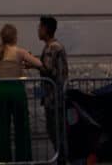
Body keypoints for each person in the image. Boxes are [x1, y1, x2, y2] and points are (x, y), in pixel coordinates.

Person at [0, 23, 43, 162]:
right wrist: (26, 63)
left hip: (0, 91)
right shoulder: (19, 52)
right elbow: (39, 64)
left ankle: (3, 159)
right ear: (15, 37)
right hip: (16, 89)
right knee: (21, 126)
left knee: (1, 128)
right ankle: (23, 159)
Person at [38, 17, 69, 160]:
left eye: (40, 27)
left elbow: (48, 70)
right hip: (53, 97)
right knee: (54, 130)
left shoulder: (53, 47)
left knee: (55, 130)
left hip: (55, 98)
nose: (38, 30)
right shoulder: (50, 46)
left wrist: (34, 64)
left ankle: (61, 159)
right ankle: (61, 158)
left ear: (46, 29)